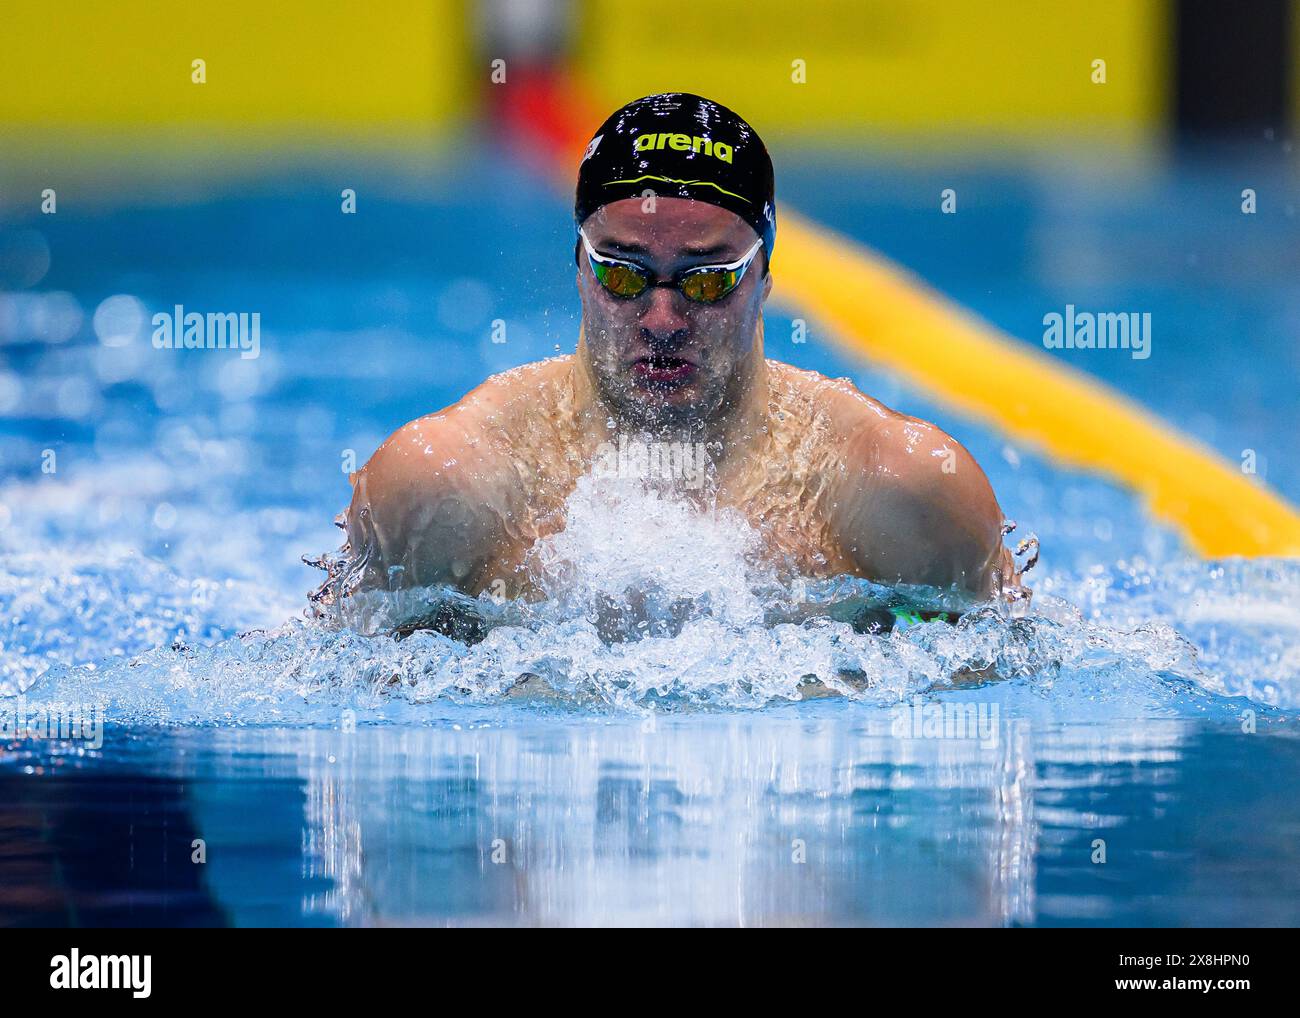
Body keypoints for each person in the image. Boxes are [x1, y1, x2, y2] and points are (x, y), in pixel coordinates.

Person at [325, 93, 1020, 615]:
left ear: (766, 275)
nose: (662, 319)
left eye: (707, 280)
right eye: (623, 274)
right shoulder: (446, 487)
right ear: (578, 265)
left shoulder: (897, 491)